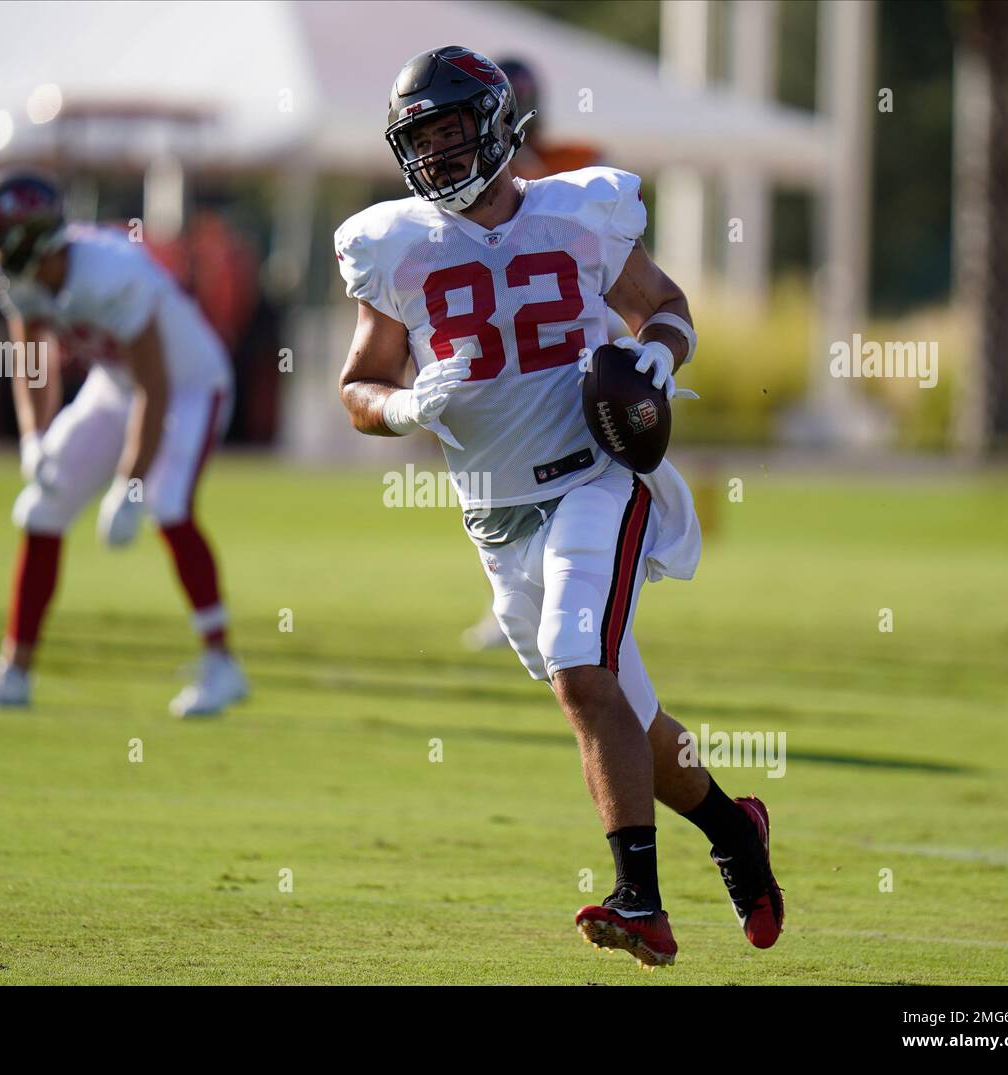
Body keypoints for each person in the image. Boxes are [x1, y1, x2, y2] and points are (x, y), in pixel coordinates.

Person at [334, 47, 782, 968]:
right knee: (630, 716)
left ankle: (640, 901)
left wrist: (661, 352)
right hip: (495, 519)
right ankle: (737, 831)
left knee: (580, 667)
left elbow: (664, 305)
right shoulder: (397, 242)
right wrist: (407, 407)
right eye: (423, 142)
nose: (442, 159)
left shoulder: (579, 211)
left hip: (596, 477)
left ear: (496, 126)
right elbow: (358, 387)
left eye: (454, 135)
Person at [0, 170, 247, 718]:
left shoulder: (110, 273)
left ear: (24, 239)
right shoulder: (25, 277)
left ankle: (222, 663)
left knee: (168, 505)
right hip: (118, 383)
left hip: (190, 386)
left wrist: (130, 486)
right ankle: (14, 672)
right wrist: (35, 438)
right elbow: (32, 361)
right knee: (41, 507)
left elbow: (156, 387)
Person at [461, 55, 604, 652]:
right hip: (504, 345)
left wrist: (520, 165)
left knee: (588, 462)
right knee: (498, 476)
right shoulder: (465, 177)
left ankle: (586, 590)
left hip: (575, 330)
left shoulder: (576, 162)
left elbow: (596, 239)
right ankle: (517, 598)